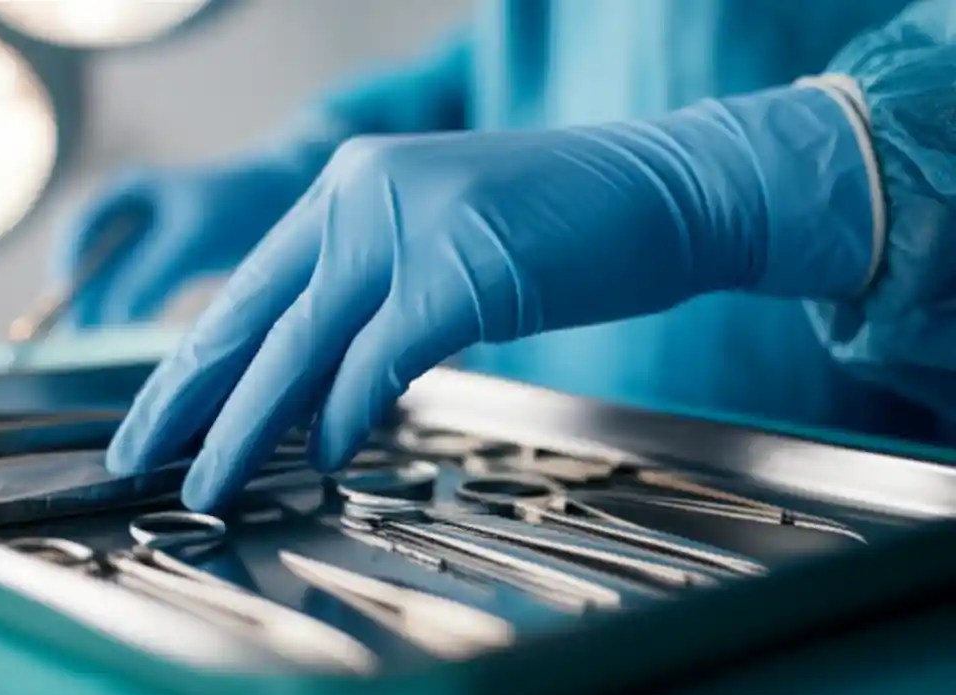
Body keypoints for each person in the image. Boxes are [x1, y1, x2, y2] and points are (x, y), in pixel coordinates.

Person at [60, 0, 956, 512]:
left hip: (873, 502)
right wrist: (306, 160)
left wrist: (790, 172)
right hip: (545, 476)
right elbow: (530, 37)